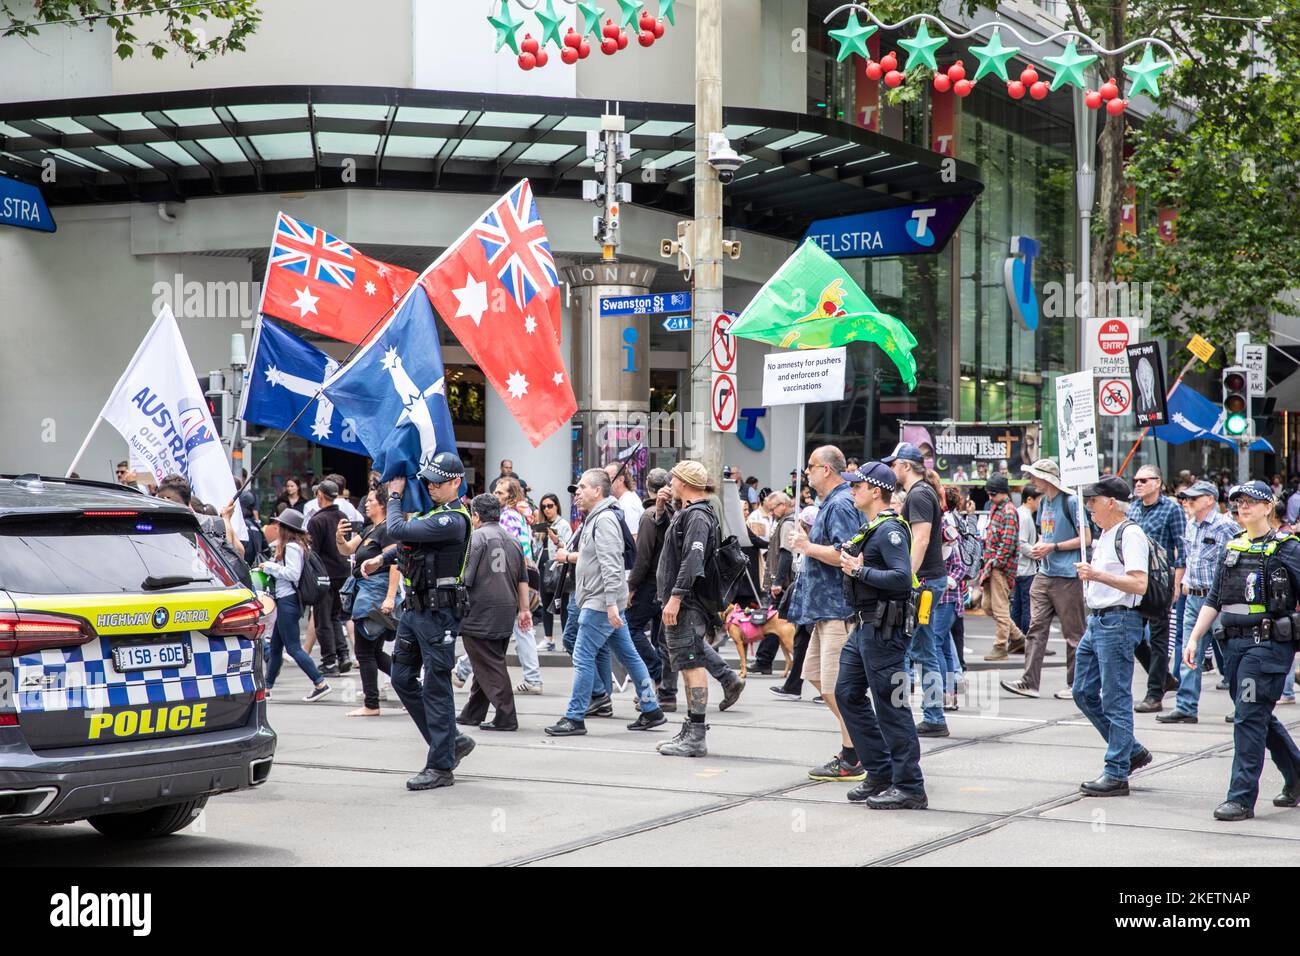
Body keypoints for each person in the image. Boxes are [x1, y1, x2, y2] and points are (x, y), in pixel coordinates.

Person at [1179, 481, 1300, 820]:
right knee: (1256, 715)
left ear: (1268, 507)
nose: (1243, 507)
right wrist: (1193, 638)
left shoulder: (1288, 547)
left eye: (1251, 502)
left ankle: (1241, 797)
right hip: (1233, 645)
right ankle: (1297, 776)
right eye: (1238, 502)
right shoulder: (1232, 546)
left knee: (1248, 718)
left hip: (1268, 647)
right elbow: (1214, 598)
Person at [545, 469, 666, 736]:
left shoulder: (605, 520)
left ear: (597, 491)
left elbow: (612, 564)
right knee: (629, 655)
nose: (576, 493)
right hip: (602, 601)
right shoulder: (597, 518)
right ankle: (651, 709)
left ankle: (574, 717)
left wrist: (611, 604)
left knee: (582, 655)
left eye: (582, 488)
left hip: (600, 603)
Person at [836, 462, 928, 809]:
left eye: (857, 485)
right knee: (846, 693)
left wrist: (860, 569)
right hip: (864, 627)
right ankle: (880, 771)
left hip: (883, 630)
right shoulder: (871, 528)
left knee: (892, 706)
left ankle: (909, 786)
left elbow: (902, 578)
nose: (852, 489)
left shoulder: (890, 530)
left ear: (876, 491)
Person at [385, 455, 478, 791]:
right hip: (414, 611)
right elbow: (407, 546)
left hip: (439, 615)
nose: (431, 486)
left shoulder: (453, 519)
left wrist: (394, 496)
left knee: (437, 686)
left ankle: (441, 765)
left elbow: (397, 528)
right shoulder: (434, 514)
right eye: (428, 481)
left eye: (438, 481)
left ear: (456, 482)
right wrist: (379, 560)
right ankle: (450, 741)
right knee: (401, 677)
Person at [789, 445, 869, 776]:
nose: (806, 473)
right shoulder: (829, 503)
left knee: (838, 688)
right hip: (823, 609)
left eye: (810, 466)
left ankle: (857, 751)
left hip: (837, 607)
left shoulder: (840, 504)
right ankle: (861, 744)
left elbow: (848, 555)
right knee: (818, 680)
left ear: (826, 469)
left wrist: (807, 546)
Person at [1072, 476, 1153, 797]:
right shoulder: (1107, 534)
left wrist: (1096, 575)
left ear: (1110, 503)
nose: (1089, 507)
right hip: (1100, 621)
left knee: (1116, 699)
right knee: (1082, 691)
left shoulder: (1130, 534)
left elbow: (1139, 584)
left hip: (1118, 621)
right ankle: (1129, 751)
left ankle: (1117, 771)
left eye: (1093, 501)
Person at [655, 461, 735, 757]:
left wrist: (675, 597)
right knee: (689, 665)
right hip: (685, 603)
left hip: (687, 605)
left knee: (692, 665)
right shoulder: (690, 513)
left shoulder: (698, 515)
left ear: (684, 483)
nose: (670, 483)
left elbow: (692, 558)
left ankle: (696, 735)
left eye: (673, 479)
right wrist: (665, 511)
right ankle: (691, 728)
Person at [1002, 459, 1088, 699]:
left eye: (1034, 476)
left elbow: (1086, 538)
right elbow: (1044, 534)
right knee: (1035, 628)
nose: (1031, 481)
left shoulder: (1070, 502)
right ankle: (1029, 682)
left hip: (1067, 575)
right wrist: (1041, 546)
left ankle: (1075, 685)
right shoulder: (1044, 504)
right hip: (1045, 572)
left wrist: (1053, 547)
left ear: (1047, 478)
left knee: (1073, 633)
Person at [882, 442, 948, 737]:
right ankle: (932, 716)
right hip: (928, 581)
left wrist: (906, 578)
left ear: (906, 466)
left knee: (920, 648)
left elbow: (920, 540)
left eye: (894, 464)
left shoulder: (919, 494)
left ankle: (932, 716)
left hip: (925, 583)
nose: (891, 469)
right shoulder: (921, 493)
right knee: (923, 647)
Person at [455, 494, 528, 731]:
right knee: (486, 661)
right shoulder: (513, 540)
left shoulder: (477, 537)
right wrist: (524, 610)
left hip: (481, 609)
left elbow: (465, 577)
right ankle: (473, 713)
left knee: (489, 663)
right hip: (507, 607)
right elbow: (523, 579)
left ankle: (506, 716)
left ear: (475, 515)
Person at [336, 489, 399, 717]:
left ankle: (371, 704)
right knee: (372, 650)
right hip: (366, 592)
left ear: (382, 504)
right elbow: (347, 549)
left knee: (365, 650)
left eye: (371, 500)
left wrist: (390, 596)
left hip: (376, 592)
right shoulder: (368, 530)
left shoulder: (387, 530)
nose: (366, 504)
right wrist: (339, 538)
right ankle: (411, 687)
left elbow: (395, 563)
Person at [1129, 465, 1186, 713]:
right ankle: (1164, 677)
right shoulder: (1133, 508)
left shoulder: (1171, 509)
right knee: (1133, 636)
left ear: (1158, 483)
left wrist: (1177, 582)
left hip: (1160, 581)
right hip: (1135, 579)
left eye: (1144, 480)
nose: (1138, 484)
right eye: (1136, 480)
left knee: (1160, 637)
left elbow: (1182, 548)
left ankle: (1155, 695)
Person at [259, 509, 332, 703]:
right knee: (275, 647)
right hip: (288, 601)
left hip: (287, 601)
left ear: (286, 529)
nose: (276, 527)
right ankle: (266, 687)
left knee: (292, 648)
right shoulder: (296, 545)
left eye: (279, 525)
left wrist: (269, 567)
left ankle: (320, 683)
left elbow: (293, 574)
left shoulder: (291, 547)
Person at [493, 475, 543, 694]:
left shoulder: (508, 517)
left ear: (511, 497)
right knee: (523, 627)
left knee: (494, 626)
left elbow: (509, 551)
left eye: (500, 493)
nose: (495, 495)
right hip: (523, 576)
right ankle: (533, 679)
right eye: (495, 491)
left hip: (513, 578)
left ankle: (463, 670)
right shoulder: (517, 515)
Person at [626, 468, 672, 689]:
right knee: (658, 638)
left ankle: (656, 673)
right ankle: (662, 687)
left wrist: (631, 586)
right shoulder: (669, 514)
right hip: (664, 584)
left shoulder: (649, 516)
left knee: (631, 627)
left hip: (651, 584)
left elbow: (642, 556)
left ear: (647, 484)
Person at [769, 504, 818, 702]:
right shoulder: (807, 544)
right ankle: (793, 686)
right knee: (801, 643)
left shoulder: (815, 545)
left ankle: (827, 690)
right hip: (806, 601)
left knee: (814, 646)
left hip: (815, 603)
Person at [305, 479, 354, 676]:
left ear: (320, 496)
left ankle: (329, 661)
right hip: (342, 571)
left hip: (324, 575)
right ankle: (343, 655)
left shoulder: (316, 520)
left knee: (322, 618)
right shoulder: (342, 516)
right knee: (335, 616)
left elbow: (312, 553)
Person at [978, 473, 1027, 660]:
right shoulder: (998, 508)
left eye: (992, 494)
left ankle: (1000, 646)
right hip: (993, 566)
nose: (989, 498)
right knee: (988, 606)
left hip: (999, 568)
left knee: (999, 608)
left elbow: (1008, 544)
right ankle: (1017, 638)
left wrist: (995, 563)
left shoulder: (1007, 511)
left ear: (1003, 493)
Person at [752, 491, 795, 675]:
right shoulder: (784, 522)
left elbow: (786, 553)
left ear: (782, 506)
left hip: (783, 584)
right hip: (781, 582)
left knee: (775, 623)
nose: (771, 512)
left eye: (773, 508)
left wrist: (777, 582)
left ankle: (765, 660)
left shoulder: (787, 523)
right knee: (774, 623)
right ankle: (764, 660)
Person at [534, 492, 573, 649]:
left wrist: (556, 539)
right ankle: (548, 638)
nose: (547, 509)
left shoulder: (562, 524)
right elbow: (536, 548)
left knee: (562, 604)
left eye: (550, 506)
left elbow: (569, 546)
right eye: (544, 507)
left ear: (557, 506)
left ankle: (565, 639)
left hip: (557, 567)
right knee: (546, 601)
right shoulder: (541, 525)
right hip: (543, 567)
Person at [1012, 486, 1042, 636]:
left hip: (1020, 568)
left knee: (1018, 606)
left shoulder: (1022, 514)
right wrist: (1037, 553)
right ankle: (1027, 639)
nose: (1040, 503)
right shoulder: (1024, 516)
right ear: (1029, 499)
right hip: (1025, 569)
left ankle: (1017, 639)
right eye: (1039, 499)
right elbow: (1021, 543)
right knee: (1027, 607)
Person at [605, 460, 644, 537]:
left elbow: (633, 537)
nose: (605, 484)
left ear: (621, 480)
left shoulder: (628, 502)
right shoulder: (623, 499)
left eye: (608, 479)